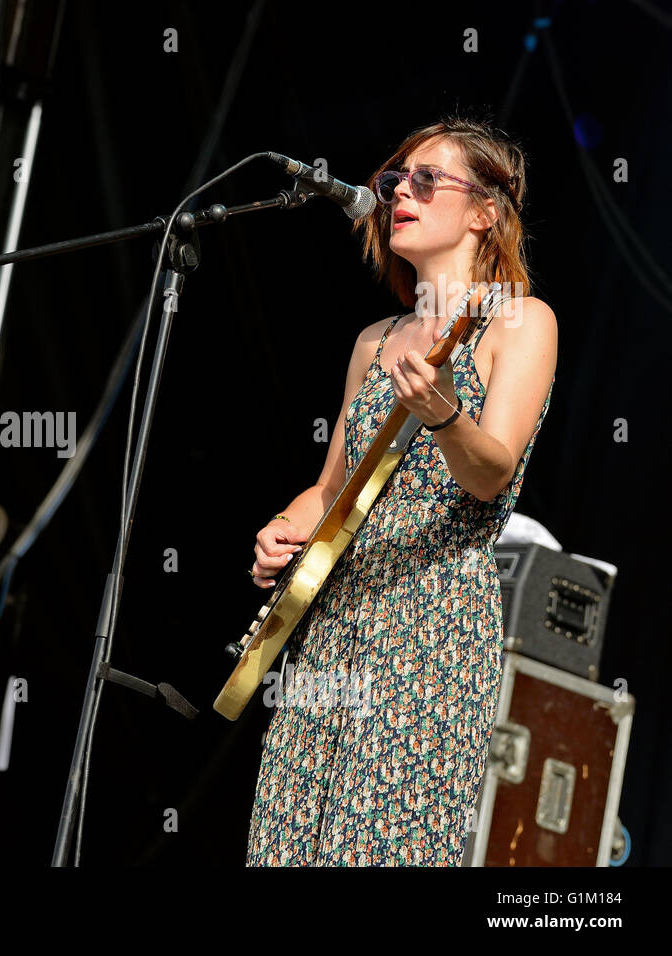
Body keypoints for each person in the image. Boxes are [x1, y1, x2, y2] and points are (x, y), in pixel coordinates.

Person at [244, 115, 557, 866]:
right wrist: (283, 527)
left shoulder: (519, 322)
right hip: (336, 625)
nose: (397, 195)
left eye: (424, 180)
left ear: (485, 210)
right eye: (392, 182)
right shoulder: (374, 342)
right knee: (289, 841)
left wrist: (444, 414)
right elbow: (331, 490)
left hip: (434, 627)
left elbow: (492, 476)